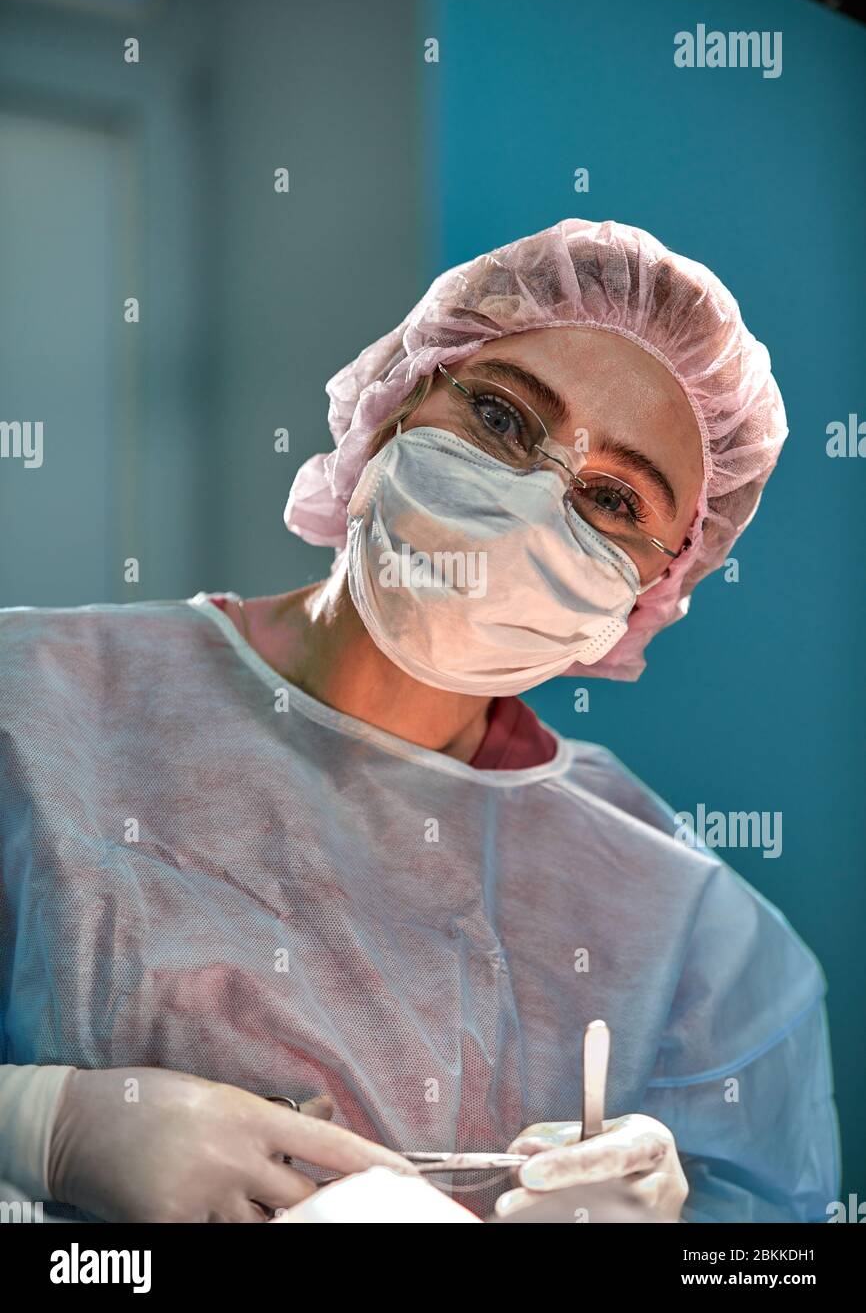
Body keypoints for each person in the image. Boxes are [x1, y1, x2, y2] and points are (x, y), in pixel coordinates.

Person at [0, 218, 840, 1223]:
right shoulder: (33, 704)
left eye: (611, 498)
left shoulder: (695, 941)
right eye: (498, 416)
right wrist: (42, 1123)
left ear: (648, 595)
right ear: (397, 406)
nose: (527, 501)